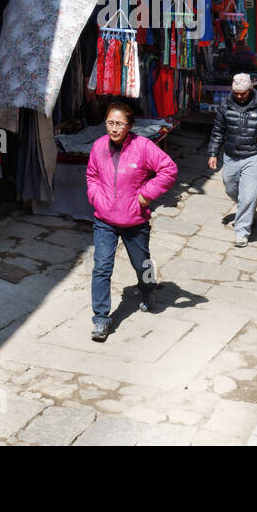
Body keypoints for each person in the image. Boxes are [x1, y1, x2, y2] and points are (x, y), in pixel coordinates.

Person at [85, 101, 178, 343]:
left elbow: (168, 169)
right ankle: (101, 319)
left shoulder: (144, 147)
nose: (114, 128)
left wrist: (146, 195)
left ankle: (148, 291)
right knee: (102, 267)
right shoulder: (98, 147)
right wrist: (95, 197)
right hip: (104, 219)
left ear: (130, 125)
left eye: (119, 124)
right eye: (110, 123)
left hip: (135, 220)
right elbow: (92, 175)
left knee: (142, 263)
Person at [207, 73, 257, 247]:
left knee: (248, 196)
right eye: (236, 93)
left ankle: (241, 232)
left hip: (253, 157)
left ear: (251, 89)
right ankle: (248, 209)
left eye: (243, 93)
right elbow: (218, 131)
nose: (239, 96)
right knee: (230, 188)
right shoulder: (225, 106)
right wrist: (212, 153)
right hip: (231, 156)